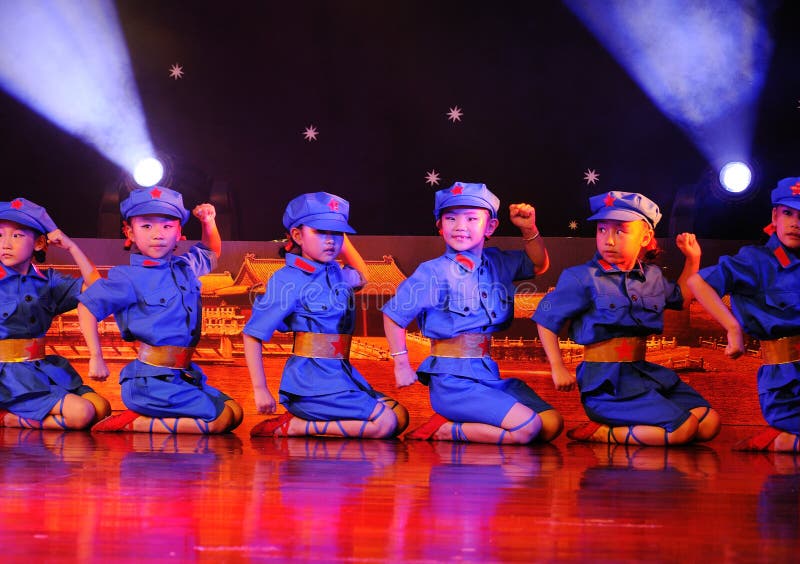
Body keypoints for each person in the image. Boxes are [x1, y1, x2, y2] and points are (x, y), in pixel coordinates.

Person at [534, 191, 720, 445]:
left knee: (709, 423)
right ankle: (604, 433)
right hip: (607, 382)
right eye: (602, 229)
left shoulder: (652, 276)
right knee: (682, 429)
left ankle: (634, 425)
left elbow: (681, 299)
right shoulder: (581, 277)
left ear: (645, 237)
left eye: (620, 231)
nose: (608, 240)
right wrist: (557, 367)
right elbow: (545, 319)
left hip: (642, 373)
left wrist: (693, 259)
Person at [383, 181, 563, 444]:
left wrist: (529, 229)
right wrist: (401, 365)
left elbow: (538, 264)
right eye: (451, 218)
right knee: (527, 428)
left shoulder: (498, 262)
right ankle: (445, 430)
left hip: (486, 375)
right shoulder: (433, 272)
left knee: (551, 424)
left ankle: (455, 422)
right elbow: (393, 315)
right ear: (440, 226)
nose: (460, 226)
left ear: (490, 226)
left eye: (471, 218)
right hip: (453, 382)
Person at [79, 186, 243, 433]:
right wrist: (96, 357)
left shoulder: (185, 267)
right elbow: (87, 306)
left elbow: (212, 251)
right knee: (219, 420)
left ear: (179, 233)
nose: (158, 234)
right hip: (150, 380)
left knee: (235, 412)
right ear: (129, 232)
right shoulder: (128, 276)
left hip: (182, 374)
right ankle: (135, 422)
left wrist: (208, 222)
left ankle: (146, 415)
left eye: (167, 226)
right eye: (147, 226)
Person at [243, 192, 408, 438]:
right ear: (297, 235)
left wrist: (338, 231)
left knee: (400, 416)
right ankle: (295, 426)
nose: (330, 240)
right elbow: (252, 335)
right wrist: (260, 389)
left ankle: (305, 421)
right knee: (386, 423)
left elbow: (362, 276)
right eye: (320, 231)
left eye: (337, 233)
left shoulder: (333, 271)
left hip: (340, 376)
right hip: (310, 385)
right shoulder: (288, 280)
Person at [688, 177, 800, 453]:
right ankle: (779, 440)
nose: (795, 223)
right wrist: (732, 328)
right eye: (788, 213)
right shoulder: (756, 260)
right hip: (788, 381)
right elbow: (698, 282)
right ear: (774, 216)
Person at [0, 197, 111, 429]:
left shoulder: (48, 281)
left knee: (101, 408)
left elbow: (97, 288)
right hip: (9, 377)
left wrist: (72, 247)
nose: (5, 244)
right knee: (81, 414)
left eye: (17, 235)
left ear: (39, 243)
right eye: (0, 235)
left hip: (39, 368)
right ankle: (5, 418)